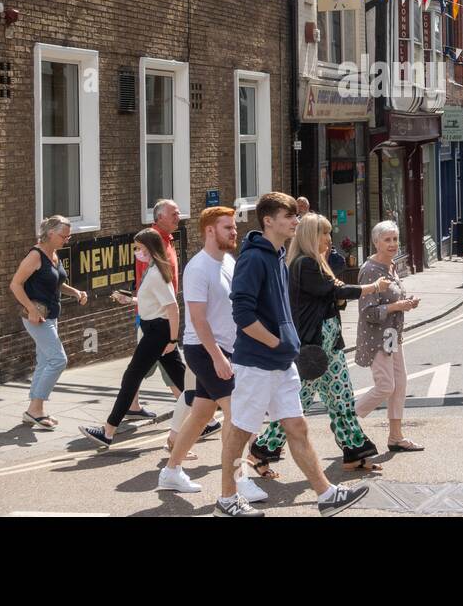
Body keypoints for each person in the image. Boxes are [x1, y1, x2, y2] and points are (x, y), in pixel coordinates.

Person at [215, 192, 367, 517]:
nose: (296, 221)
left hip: (283, 363)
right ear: (269, 221)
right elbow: (242, 313)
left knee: (297, 427)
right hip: (257, 362)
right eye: (289, 216)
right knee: (240, 431)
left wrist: (288, 344)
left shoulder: (278, 256)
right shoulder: (253, 259)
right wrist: (274, 343)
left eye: (296, 216)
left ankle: (326, 494)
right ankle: (227, 500)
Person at [250, 213, 385, 475]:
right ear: (312, 236)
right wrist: (373, 287)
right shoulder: (304, 264)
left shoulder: (318, 262)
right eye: (324, 234)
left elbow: (333, 293)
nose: (329, 239)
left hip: (329, 345)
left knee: (342, 399)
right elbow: (337, 291)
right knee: (295, 406)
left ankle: (355, 453)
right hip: (312, 349)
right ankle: (261, 452)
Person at [158, 207, 263, 500]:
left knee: (202, 413)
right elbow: (198, 318)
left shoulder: (228, 262)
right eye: (227, 227)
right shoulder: (198, 268)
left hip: (226, 349)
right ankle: (239, 480)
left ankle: (171, 471)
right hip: (204, 349)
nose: (234, 231)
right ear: (209, 231)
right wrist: (217, 356)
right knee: (237, 413)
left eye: (233, 226)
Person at [79, 228, 186, 449]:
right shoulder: (153, 270)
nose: (137, 252)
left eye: (139, 248)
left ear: (150, 248)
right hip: (155, 329)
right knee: (183, 380)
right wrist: (130, 301)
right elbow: (152, 301)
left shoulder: (156, 273)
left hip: (158, 332)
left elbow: (173, 308)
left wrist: (173, 340)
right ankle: (210, 420)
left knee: (132, 376)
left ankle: (107, 432)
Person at [9, 216, 87, 429]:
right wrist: (31, 309)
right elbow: (15, 284)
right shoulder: (35, 256)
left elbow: (56, 283)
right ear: (50, 234)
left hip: (51, 315)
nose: (67, 239)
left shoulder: (53, 255)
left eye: (68, 235)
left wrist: (75, 292)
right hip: (37, 317)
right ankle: (36, 409)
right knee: (58, 360)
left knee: (44, 362)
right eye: (64, 235)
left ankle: (33, 410)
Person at [355, 221, 424, 452]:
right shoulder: (370, 270)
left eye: (395, 239)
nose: (393, 244)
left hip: (392, 334)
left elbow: (393, 300)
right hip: (376, 336)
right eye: (387, 240)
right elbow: (367, 312)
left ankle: (395, 437)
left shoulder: (392, 266)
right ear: (376, 242)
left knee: (399, 384)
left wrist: (406, 303)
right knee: (385, 386)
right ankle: (346, 420)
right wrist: (397, 306)